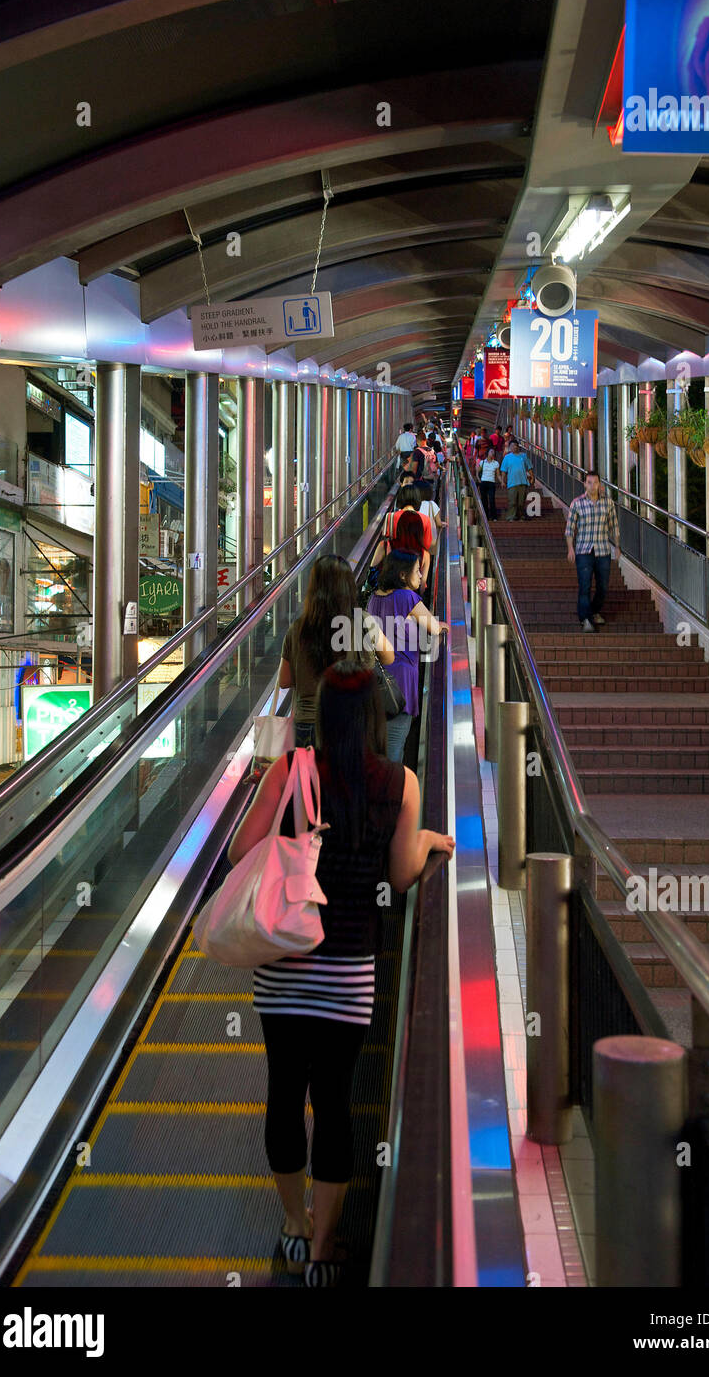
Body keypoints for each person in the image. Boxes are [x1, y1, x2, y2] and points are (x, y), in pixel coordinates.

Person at [228, 660, 455, 1287]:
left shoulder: (291, 771)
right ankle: (326, 1249)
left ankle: (294, 1224)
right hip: (350, 971)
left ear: (323, 715)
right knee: (333, 1103)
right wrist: (430, 840)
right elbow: (403, 876)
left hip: (284, 964)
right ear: (377, 717)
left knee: (283, 1093)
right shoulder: (400, 783)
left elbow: (239, 852)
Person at [279, 555, 394, 746]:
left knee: (308, 777)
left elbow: (285, 681)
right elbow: (389, 657)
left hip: (306, 725)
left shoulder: (298, 628)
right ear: (348, 587)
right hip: (349, 722)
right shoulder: (363, 621)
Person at [366, 550, 448, 762]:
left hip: (375, 681)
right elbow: (434, 628)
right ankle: (390, 792)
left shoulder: (373, 598)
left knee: (376, 749)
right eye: (417, 571)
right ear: (403, 575)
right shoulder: (407, 597)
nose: (421, 575)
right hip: (400, 684)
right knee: (393, 751)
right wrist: (442, 627)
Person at [564, 469, 621, 633]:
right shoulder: (577, 503)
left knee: (603, 586)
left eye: (595, 482)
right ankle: (586, 619)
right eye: (589, 482)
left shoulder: (607, 503)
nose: (592, 485)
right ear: (585, 484)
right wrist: (570, 549)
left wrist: (617, 546)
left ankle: (595, 611)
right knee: (585, 586)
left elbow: (614, 526)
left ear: (599, 485)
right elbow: (570, 529)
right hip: (583, 550)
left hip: (603, 550)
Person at [498, 438, 531, 521]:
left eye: (515, 446)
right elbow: (503, 471)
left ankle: (521, 516)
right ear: (509, 448)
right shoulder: (507, 457)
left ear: (518, 447)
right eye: (512, 446)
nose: (514, 447)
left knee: (521, 503)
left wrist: (532, 477)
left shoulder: (523, 456)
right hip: (512, 483)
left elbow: (529, 467)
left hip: (523, 482)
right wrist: (502, 481)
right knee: (512, 502)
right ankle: (511, 517)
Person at [418, 480, 446, 547]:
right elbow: (438, 523)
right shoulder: (432, 504)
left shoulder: (414, 504)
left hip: (417, 539)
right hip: (429, 541)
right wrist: (442, 524)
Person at [477, 441, 500, 519]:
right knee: (484, 500)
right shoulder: (482, 462)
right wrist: (478, 479)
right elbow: (478, 471)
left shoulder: (496, 463)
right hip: (483, 482)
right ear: (488, 453)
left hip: (492, 483)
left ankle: (494, 516)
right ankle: (485, 516)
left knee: (492, 500)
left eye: (493, 452)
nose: (492, 453)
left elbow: (498, 475)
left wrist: (502, 481)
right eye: (491, 451)